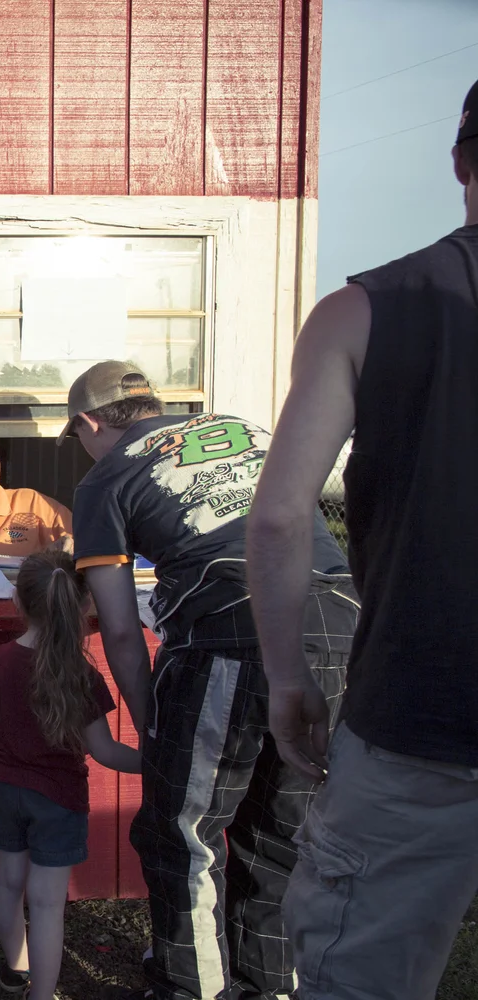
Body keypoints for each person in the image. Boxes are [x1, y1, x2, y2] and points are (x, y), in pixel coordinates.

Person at [247, 80, 478, 1000]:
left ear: (461, 160)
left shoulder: (361, 311)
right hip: (418, 714)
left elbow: (278, 513)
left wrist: (289, 678)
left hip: (419, 710)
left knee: (363, 976)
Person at [60, 361, 358, 1000]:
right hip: (343, 626)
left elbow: (117, 628)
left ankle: (191, 989)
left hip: (231, 633)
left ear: (88, 423)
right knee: (282, 833)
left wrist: (152, 727)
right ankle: (272, 985)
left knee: (183, 835)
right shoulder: (245, 432)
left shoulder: (106, 479)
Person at [0, 550, 140, 1000]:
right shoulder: (80, 674)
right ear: (83, 605)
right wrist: (156, 762)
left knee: (8, 883)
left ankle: (16, 970)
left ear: (18, 601)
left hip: (5, 789)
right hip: (58, 799)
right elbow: (105, 751)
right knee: (48, 905)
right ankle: (42, 995)